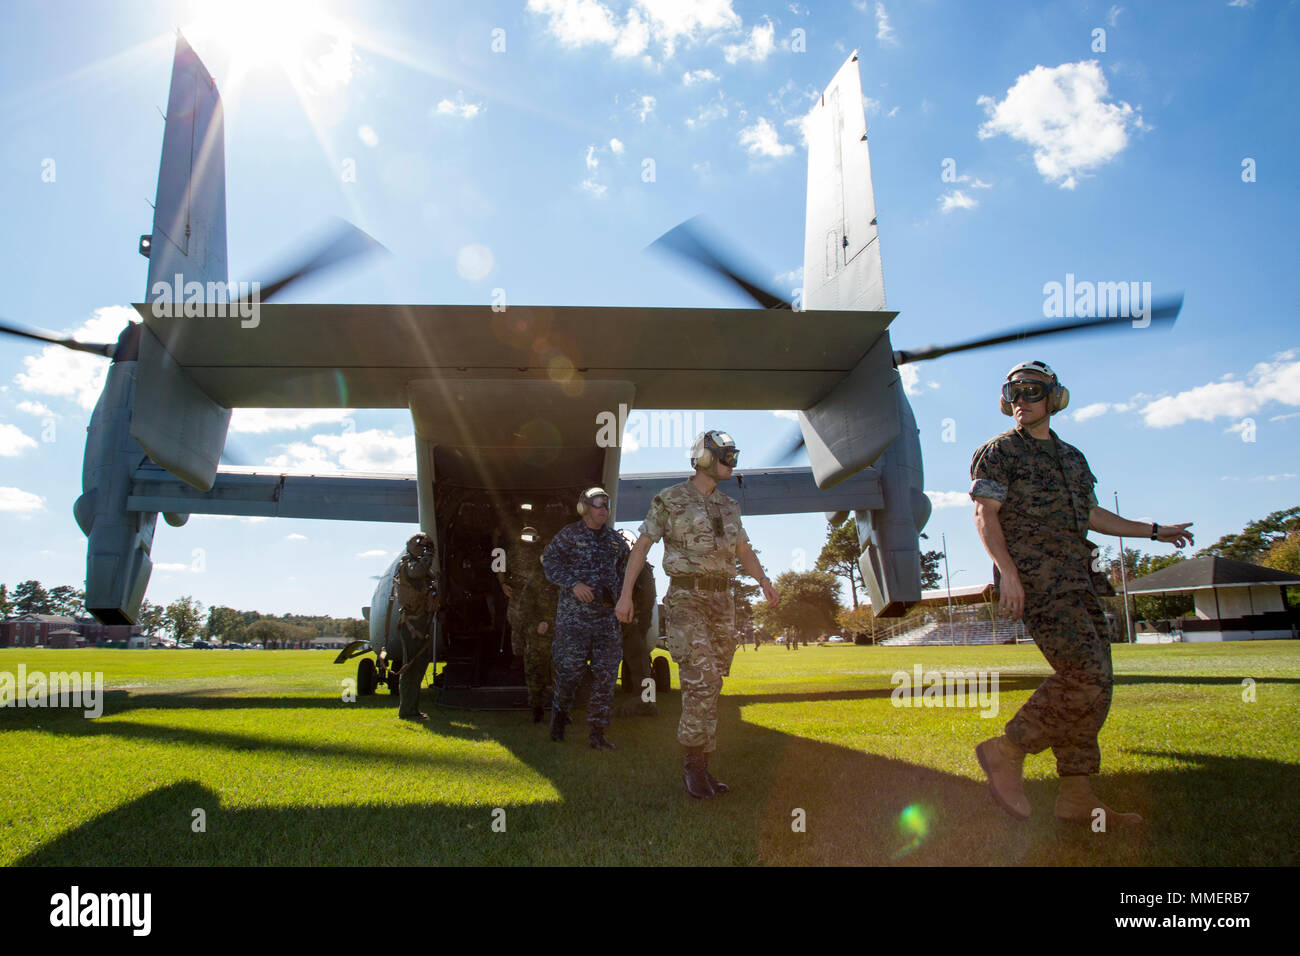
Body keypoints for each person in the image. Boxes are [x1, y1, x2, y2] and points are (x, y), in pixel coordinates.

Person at [970, 361, 1194, 826]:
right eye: (1013, 392)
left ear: (1055, 398)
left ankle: (1076, 794)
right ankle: (1006, 749)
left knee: (1098, 686)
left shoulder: (1072, 457)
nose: (1020, 400)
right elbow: (984, 515)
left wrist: (1154, 531)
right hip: (1038, 582)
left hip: (1079, 578)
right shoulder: (999, 451)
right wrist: (1007, 574)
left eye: (1031, 391)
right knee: (1084, 673)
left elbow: (1093, 516)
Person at [616, 430, 779, 799]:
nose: (731, 463)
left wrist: (764, 579)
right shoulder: (670, 500)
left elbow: (744, 550)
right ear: (705, 458)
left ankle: (704, 763)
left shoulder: (729, 506)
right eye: (725, 456)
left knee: (714, 681)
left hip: (723, 601)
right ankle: (694, 766)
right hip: (687, 598)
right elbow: (642, 547)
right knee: (701, 679)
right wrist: (625, 595)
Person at [542, 487, 629, 750]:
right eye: (597, 505)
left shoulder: (616, 541)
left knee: (606, 675)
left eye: (606, 505)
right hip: (574, 621)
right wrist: (573, 583)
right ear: (584, 508)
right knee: (569, 673)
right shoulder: (569, 536)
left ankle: (597, 733)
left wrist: (624, 598)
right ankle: (559, 717)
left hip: (606, 621)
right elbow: (549, 563)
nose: (603, 509)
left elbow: (627, 573)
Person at [395, 533, 439, 720]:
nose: (423, 549)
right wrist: (429, 556)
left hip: (420, 622)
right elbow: (417, 572)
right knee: (411, 668)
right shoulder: (408, 566)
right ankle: (406, 710)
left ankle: (411, 709)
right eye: (420, 546)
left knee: (418, 666)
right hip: (412, 624)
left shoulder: (418, 566)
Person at [513, 548, 559, 723]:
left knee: (562, 676)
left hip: (562, 637)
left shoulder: (567, 581)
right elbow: (523, 610)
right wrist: (536, 624)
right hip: (540, 638)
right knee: (535, 674)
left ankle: (561, 711)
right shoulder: (535, 582)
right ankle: (537, 710)